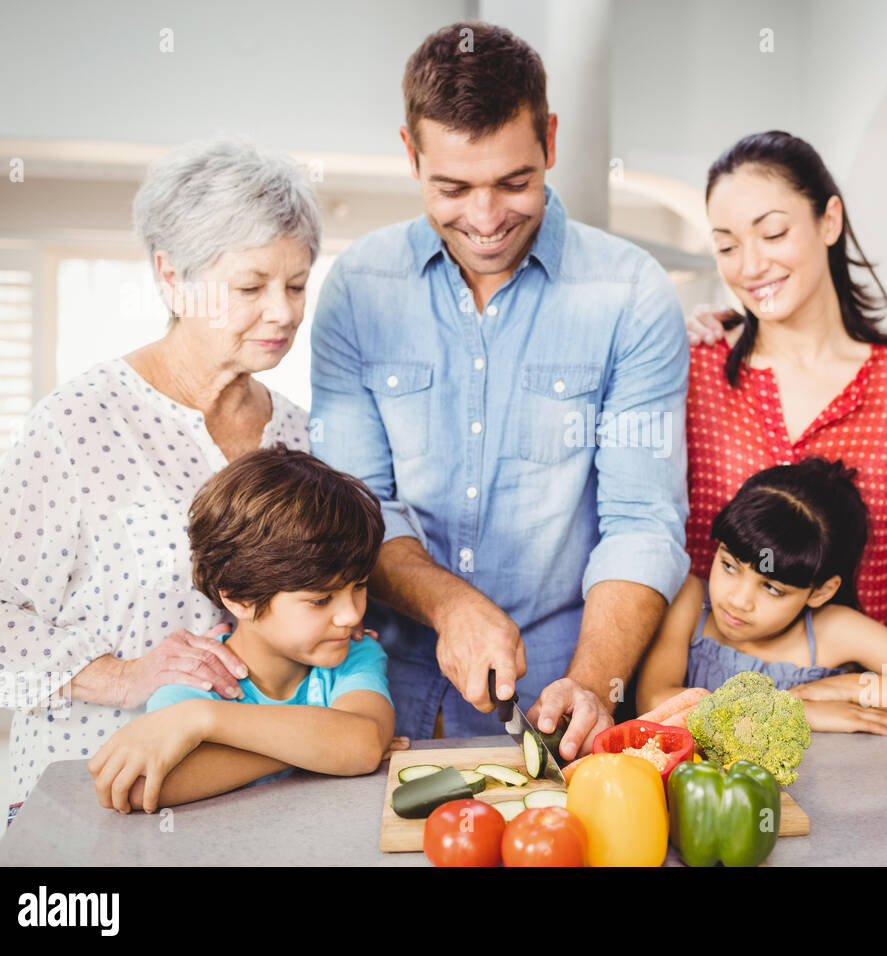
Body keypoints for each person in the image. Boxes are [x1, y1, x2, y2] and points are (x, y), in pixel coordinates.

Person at [0, 137, 385, 822]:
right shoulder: (79, 423)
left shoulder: (306, 435)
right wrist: (124, 676)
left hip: (272, 806)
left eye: (297, 283)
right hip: (95, 796)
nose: (283, 312)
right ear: (171, 277)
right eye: (251, 287)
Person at [310, 22, 689, 759]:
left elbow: (642, 519)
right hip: (374, 699)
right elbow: (353, 508)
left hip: (559, 699)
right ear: (410, 153)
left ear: (549, 139)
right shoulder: (358, 289)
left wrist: (593, 680)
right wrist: (450, 604)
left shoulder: (631, 292)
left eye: (514, 183)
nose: (485, 220)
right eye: (452, 188)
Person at [685, 131, 887, 692]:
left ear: (829, 221)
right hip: (704, 706)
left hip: (859, 709)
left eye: (774, 232)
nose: (751, 265)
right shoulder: (694, 373)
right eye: (727, 245)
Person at [88, 446, 394, 813]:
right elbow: (141, 789)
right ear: (240, 598)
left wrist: (204, 719)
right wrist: (318, 751)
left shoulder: (356, 653)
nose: (351, 615)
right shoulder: (197, 675)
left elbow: (361, 745)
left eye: (358, 586)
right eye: (321, 599)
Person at [636, 458, 887, 732]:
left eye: (773, 588)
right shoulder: (690, 600)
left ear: (821, 591)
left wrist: (853, 686)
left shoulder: (833, 630)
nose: (738, 600)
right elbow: (653, 702)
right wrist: (792, 710)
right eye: (729, 566)